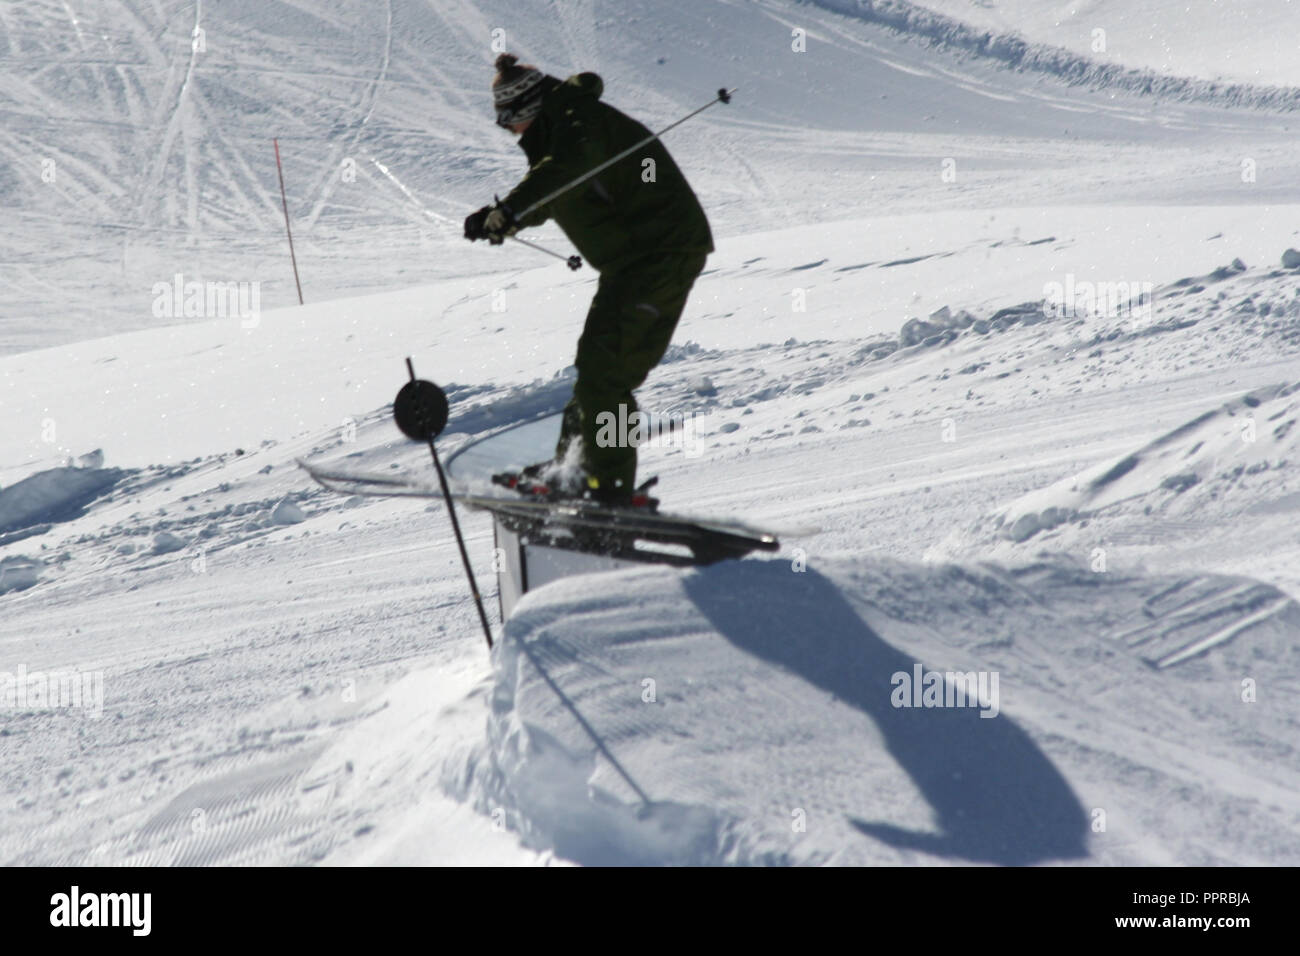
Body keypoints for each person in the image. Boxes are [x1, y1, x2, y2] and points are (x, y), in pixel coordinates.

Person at [464, 53, 713, 506]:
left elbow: (568, 172)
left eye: (508, 123)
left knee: (606, 377)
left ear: (525, 111)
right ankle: (574, 470)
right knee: (597, 371)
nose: (510, 133)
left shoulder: (576, 122)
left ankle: (608, 487)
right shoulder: (560, 129)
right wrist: (501, 218)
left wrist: (512, 210)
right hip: (637, 263)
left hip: (659, 254)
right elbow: (557, 190)